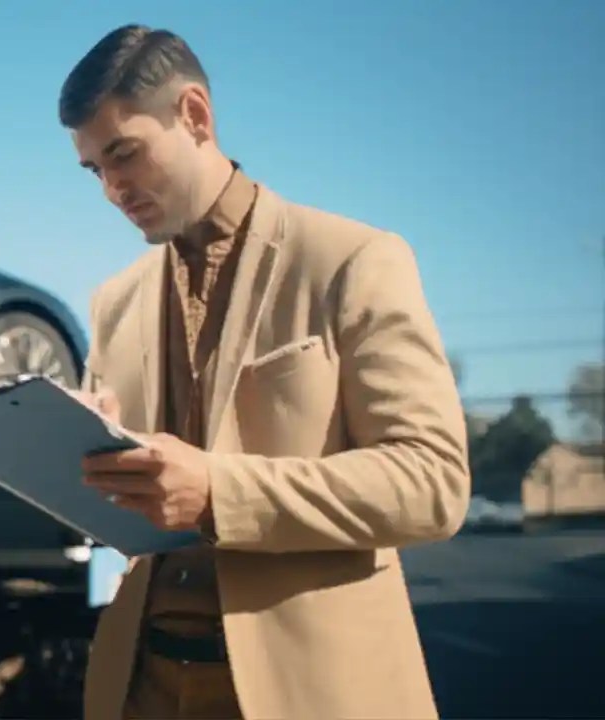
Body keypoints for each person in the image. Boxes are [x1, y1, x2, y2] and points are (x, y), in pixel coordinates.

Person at [59, 24, 471, 720]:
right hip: (141, 686)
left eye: (123, 154)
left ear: (194, 115)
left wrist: (219, 490)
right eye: (95, 169)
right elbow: (131, 520)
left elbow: (433, 482)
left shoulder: (353, 260)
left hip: (309, 693)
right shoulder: (112, 304)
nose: (112, 189)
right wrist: (87, 455)